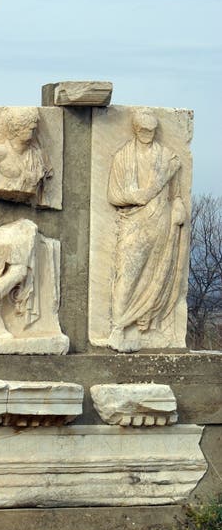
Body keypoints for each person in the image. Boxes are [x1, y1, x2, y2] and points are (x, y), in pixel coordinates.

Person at [107, 108, 187, 352]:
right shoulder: (122, 157)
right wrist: (136, 196)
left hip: (161, 223)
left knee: (157, 274)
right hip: (133, 224)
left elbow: (176, 194)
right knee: (127, 276)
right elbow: (113, 195)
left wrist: (179, 207)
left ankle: (147, 327)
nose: (148, 134)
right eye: (143, 130)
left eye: (152, 130)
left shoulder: (168, 158)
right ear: (135, 129)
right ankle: (118, 328)